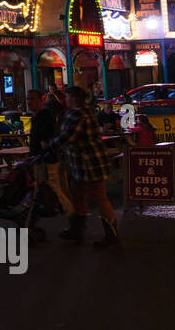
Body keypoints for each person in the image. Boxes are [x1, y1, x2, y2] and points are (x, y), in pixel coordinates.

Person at [42, 85, 118, 247]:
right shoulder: (88, 111)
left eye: (68, 97)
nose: (66, 100)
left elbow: (68, 137)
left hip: (88, 163)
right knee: (77, 193)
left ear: (74, 99)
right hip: (88, 161)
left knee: (99, 197)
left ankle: (111, 233)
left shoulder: (76, 115)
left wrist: (48, 146)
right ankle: (77, 228)